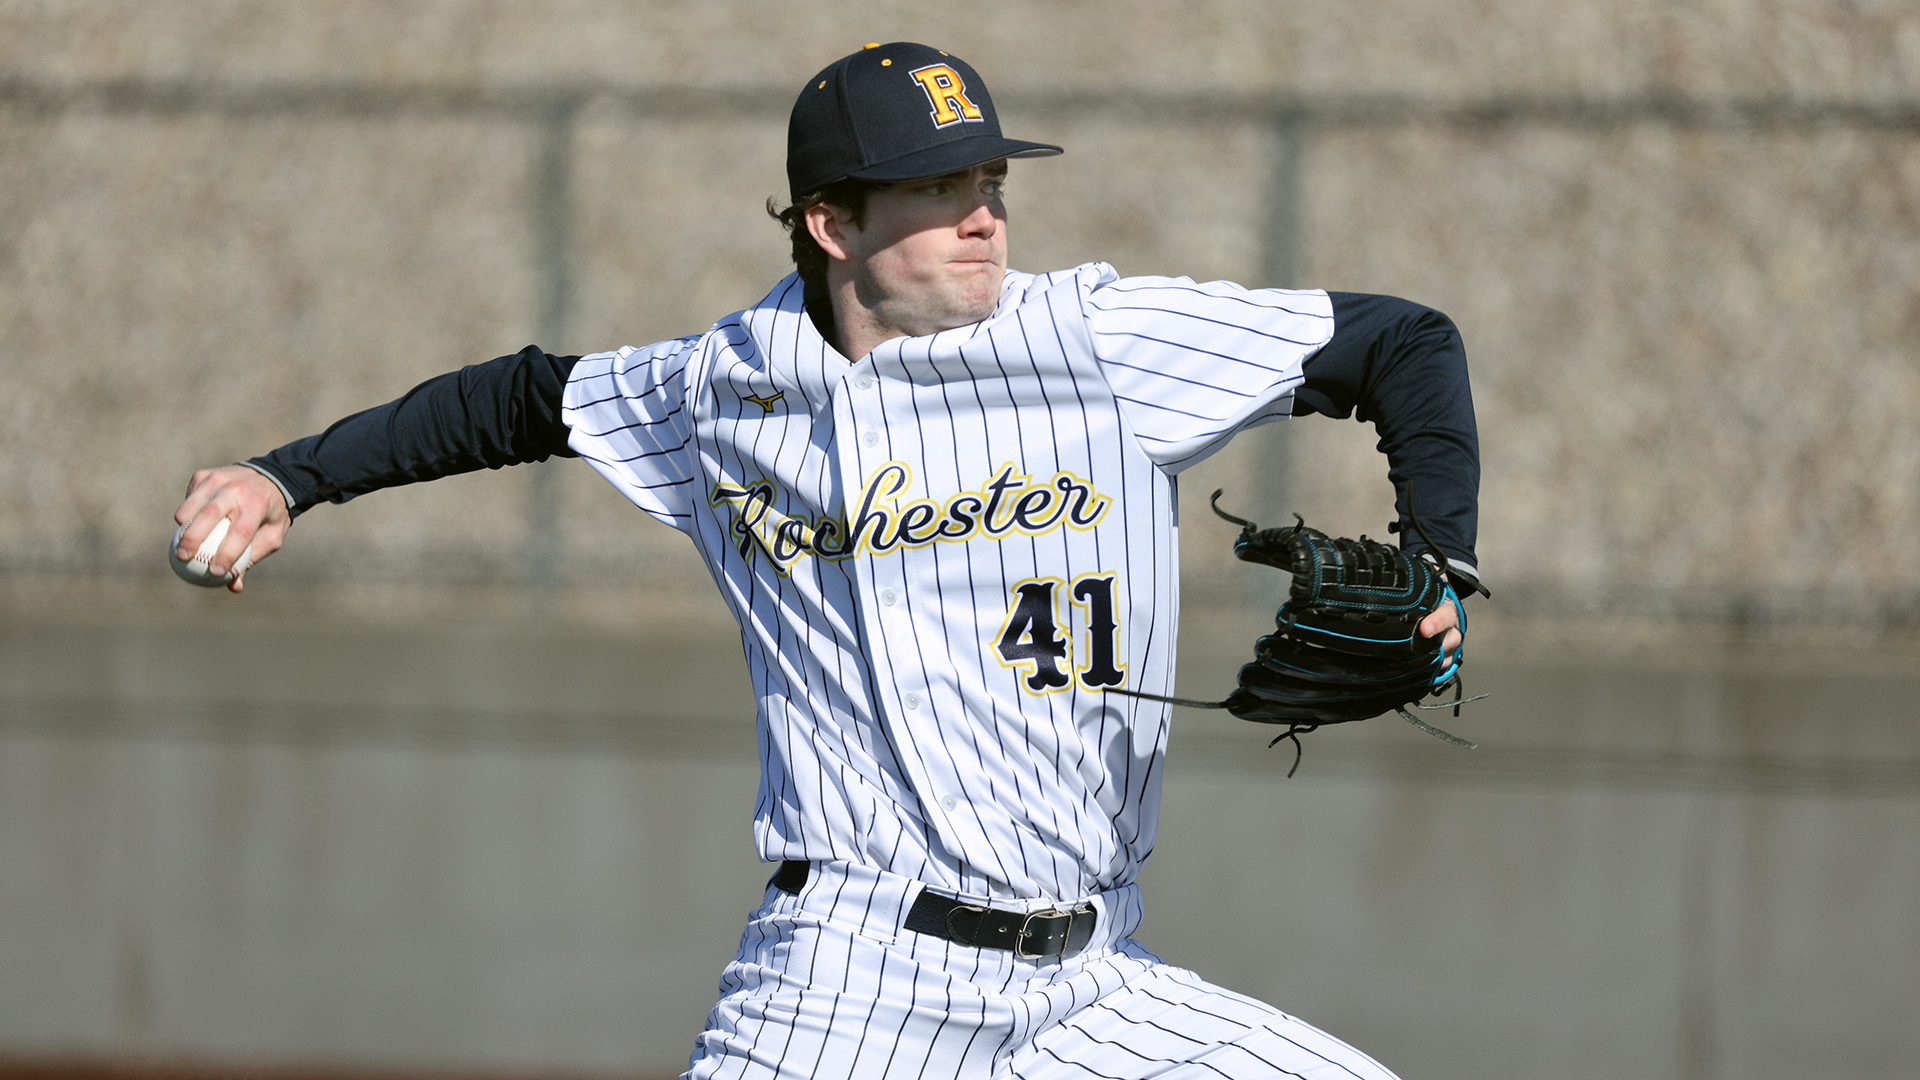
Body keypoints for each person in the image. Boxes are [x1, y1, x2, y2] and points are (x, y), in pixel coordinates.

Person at [175, 41, 1482, 1080]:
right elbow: (521, 401)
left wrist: (1440, 567)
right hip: (851, 982)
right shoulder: (722, 388)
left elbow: (1402, 343)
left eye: (992, 184)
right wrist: (289, 476)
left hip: (1093, 983)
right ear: (832, 224)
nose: (985, 218)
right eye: (939, 189)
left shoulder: (1097, 341)